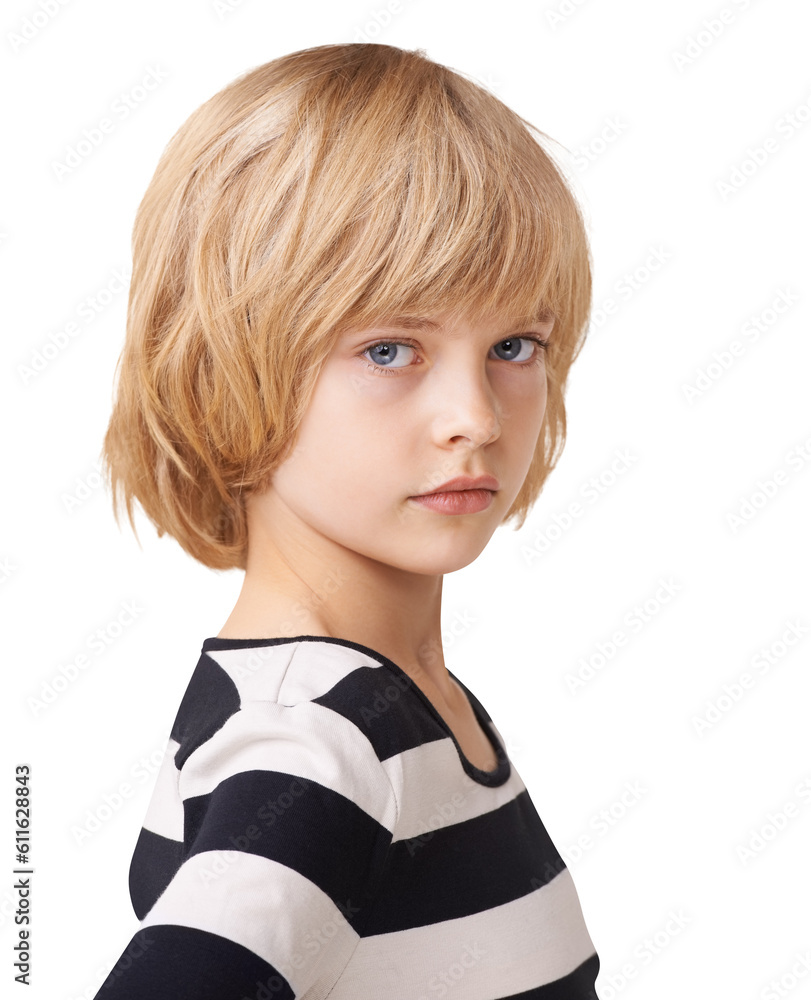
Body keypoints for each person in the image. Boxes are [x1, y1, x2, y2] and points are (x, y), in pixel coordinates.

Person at [92, 41, 600, 999]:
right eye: (389, 349)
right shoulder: (319, 747)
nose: (477, 417)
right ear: (218, 361)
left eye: (513, 344)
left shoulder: (394, 710)